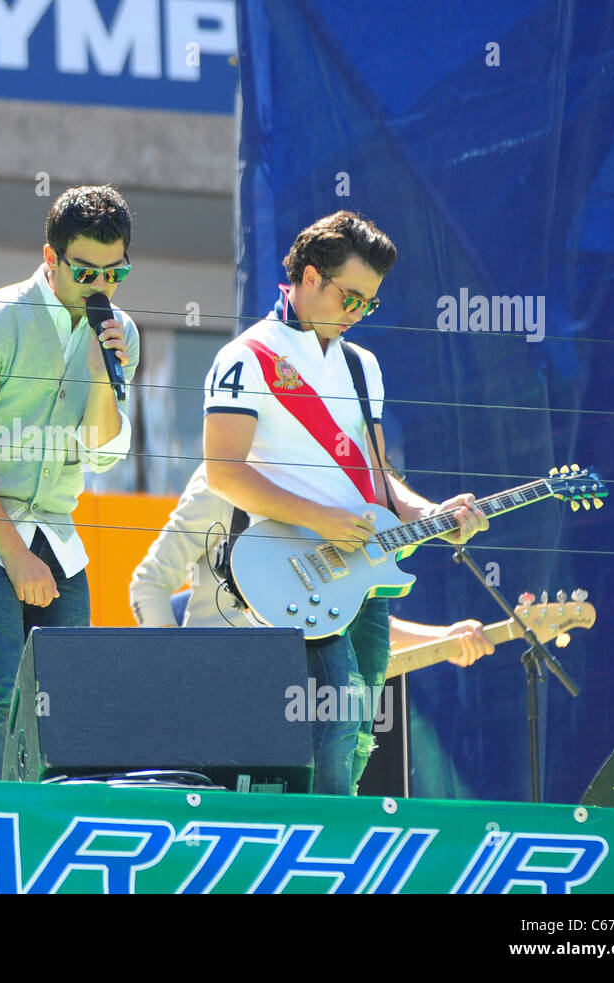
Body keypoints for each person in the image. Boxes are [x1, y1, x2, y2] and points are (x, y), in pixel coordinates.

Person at [202, 211, 488, 795]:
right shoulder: (247, 355)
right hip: (290, 569)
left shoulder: (364, 366)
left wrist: (431, 515)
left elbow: (381, 482)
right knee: (333, 727)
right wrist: (322, 520)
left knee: (357, 735)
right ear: (309, 277)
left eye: (369, 304)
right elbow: (223, 473)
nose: (357, 314)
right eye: (349, 297)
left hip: (360, 575)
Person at [0, 184, 140, 779]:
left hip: (57, 531)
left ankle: (50, 846)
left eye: (115, 272)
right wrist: (17, 556)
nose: (100, 285)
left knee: (66, 702)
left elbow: (101, 456)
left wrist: (102, 373)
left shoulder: (120, 333)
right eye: (84, 270)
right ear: (50, 259)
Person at [128, 464, 496, 665]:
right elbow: (151, 582)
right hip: (218, 681)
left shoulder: (330, 487)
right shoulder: (220, 481)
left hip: (306, 696)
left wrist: (443, 639)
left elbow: (355, 622)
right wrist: (172, 670)